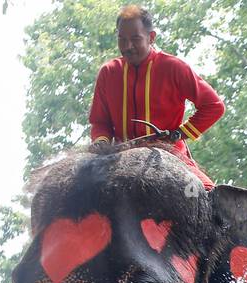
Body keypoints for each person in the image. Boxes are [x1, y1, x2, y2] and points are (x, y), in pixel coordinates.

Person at [88, 5, 225, 189]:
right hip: (118, 160)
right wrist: (101, 143)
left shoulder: (174, 67)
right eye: (122, 39)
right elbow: (99, 122)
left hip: (172, 158)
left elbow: (214, 106)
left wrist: (181, 133)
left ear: (151, 37)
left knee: (212, 196)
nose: (127, 47)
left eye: (135, 39)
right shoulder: (108, 72)